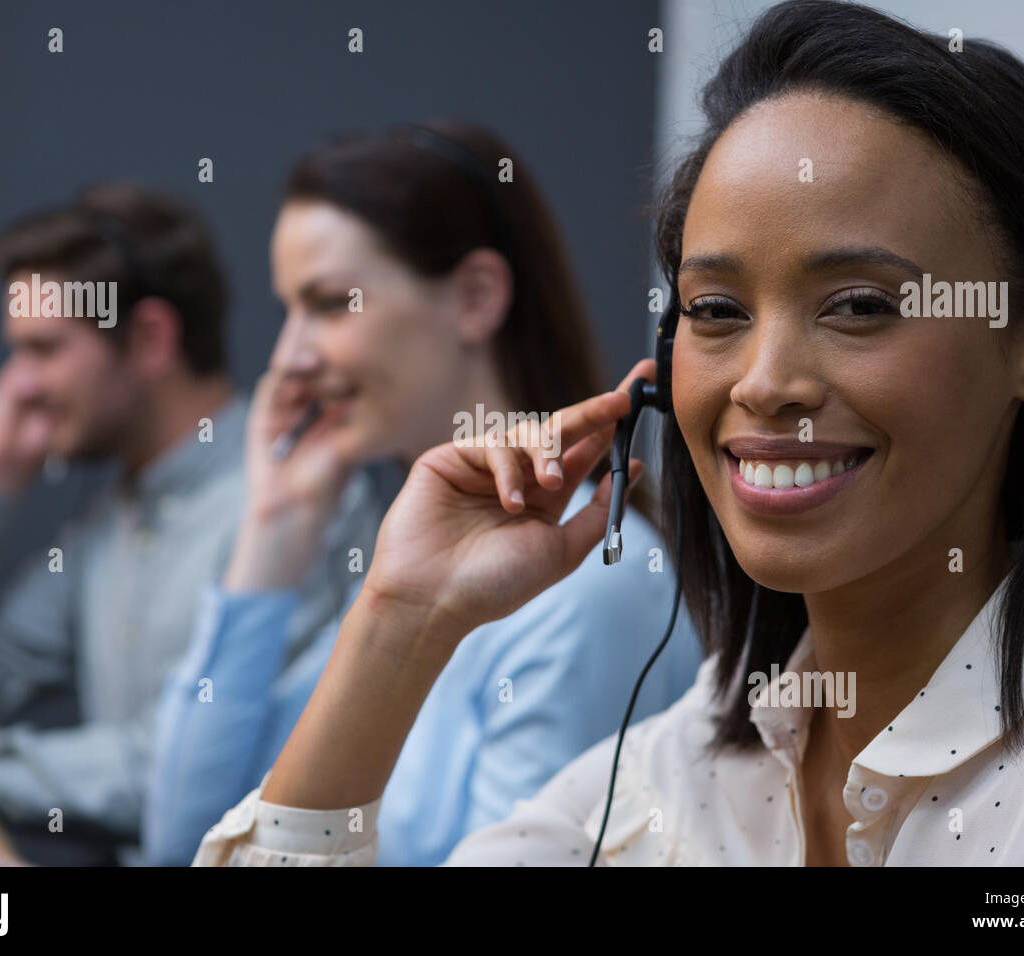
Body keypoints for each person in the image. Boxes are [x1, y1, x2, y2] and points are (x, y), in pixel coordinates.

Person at [192, 1, 1024, 867]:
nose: (767, 382)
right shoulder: (684, 762)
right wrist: (401, 620)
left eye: (859, 305)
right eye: (717, 309)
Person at [144, 121, 702, 865]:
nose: (289, 360)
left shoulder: (588, 589)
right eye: (288, 310)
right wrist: (274, 525)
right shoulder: (414, 552)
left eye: (331, 304)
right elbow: (189, 839)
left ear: (474, 297)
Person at [0, 184, 246, 865]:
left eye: (43, 348)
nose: (18, 385)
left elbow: (179, 778)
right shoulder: (108, 524)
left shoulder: (288, 509)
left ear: (151, 338)